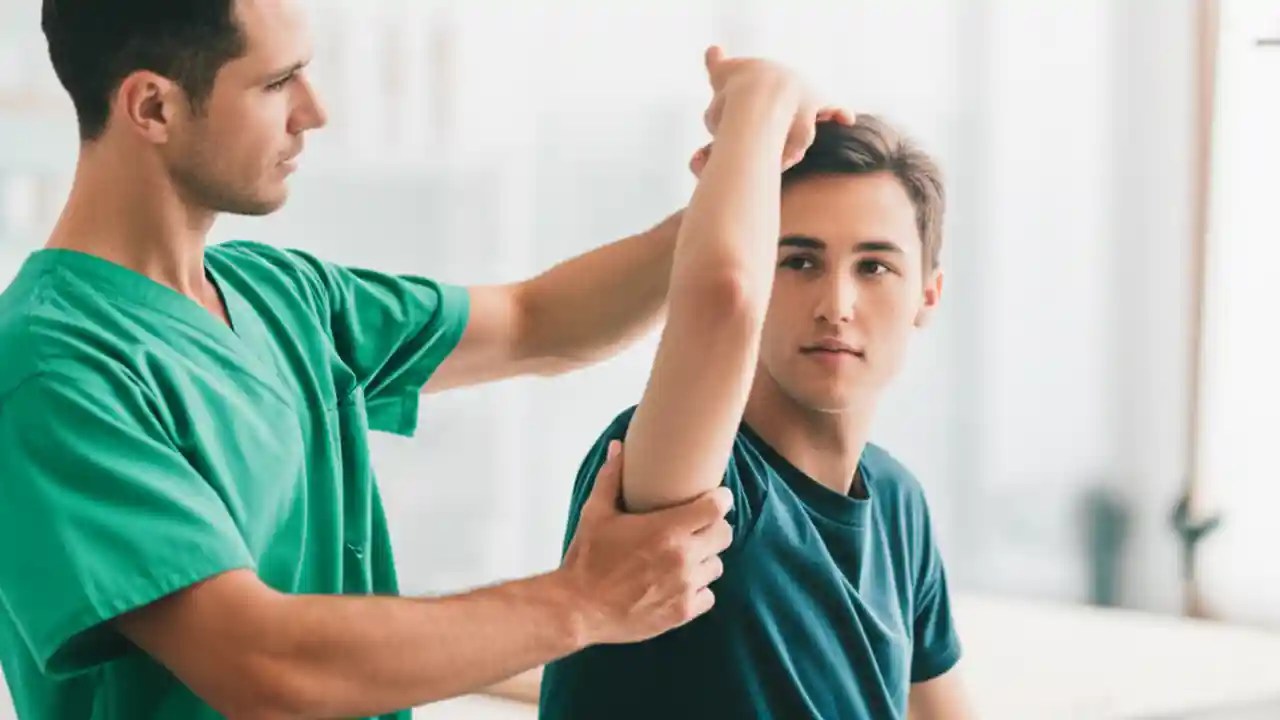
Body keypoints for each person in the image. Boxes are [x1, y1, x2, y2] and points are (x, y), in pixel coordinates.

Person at [0, 2, 848, 718]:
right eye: (275, 83)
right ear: (152, 108)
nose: (315, 110)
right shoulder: (54, 368)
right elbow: (259, 664)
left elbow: (535, 322)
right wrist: (584, 599)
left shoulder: (279, 294)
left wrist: (745, 180)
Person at [539, 52, 972, 719]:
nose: (836, 304)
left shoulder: (897, 505)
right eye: (797, 261)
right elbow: (719, 298)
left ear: (928, 294)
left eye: (875, 267)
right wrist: (757, 103)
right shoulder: (693, 477)